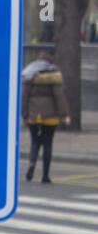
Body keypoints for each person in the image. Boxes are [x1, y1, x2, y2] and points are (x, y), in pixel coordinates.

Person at [21, 52, 70, 183]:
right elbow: (59, 97)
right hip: (50, 117)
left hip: (34, 116)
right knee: (48, 143)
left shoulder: (29, 73)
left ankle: (31, 164)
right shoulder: (53, 74)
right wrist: (64, 114)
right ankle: (45, 175)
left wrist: (24, 115)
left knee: (35, 142)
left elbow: (24, 97)